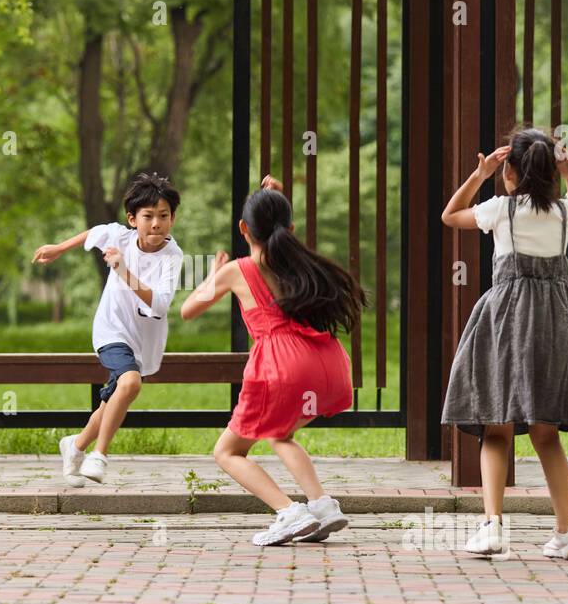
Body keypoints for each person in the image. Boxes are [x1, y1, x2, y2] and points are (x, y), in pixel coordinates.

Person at [180, 175, 366, 546]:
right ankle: (322, 506)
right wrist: (274, 200)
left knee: (227, 451)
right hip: (325, 362)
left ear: (243, 229)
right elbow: (278, 230)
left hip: (280, 367)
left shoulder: (237, 270)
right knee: (281, 435)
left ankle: (289, 513)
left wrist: (214, 275)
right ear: (290, 229)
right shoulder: (299, 264)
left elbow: (188, 310)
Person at [440, 127, 568, 560]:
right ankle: (567, 532)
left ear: (510, 172)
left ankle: (492, 526)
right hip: (555, 322)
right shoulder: (565, 212)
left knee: (496, 425)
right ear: (551, 172)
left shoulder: (502, 210)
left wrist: (478, 174)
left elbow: (451, 216)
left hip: (507, 321)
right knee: (546, 434)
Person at [32, 172, 183, 485]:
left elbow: (160, 304)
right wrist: (59, 248)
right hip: (111, 331)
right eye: (148, 216)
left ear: (173, 219)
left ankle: (74, 446)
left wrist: (122, 270)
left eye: (164, 216)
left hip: (144, 339)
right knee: (129, 385)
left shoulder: (173, 256)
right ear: (132, 219)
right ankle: (99, 456)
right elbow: (96, 231)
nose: (156, 224)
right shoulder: (121, 237)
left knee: (113, 398)